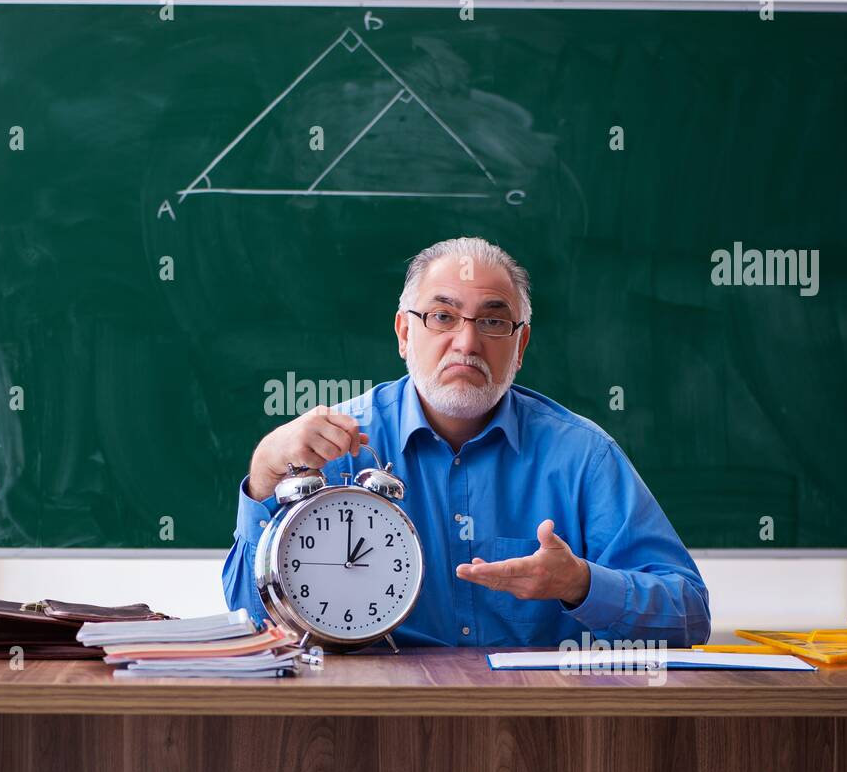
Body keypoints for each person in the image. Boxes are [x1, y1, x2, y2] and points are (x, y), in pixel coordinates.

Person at [221, 236, 710, 648]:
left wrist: (580, 584)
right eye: (442, 316)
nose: (467, 343)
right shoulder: (331, 446)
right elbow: (250, 621)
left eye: (493, 321)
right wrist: (264, 476)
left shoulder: (582, 456)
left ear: (520, 346)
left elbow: (690, 612)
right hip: (371, 723)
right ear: (404, 334)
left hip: (535, 731)